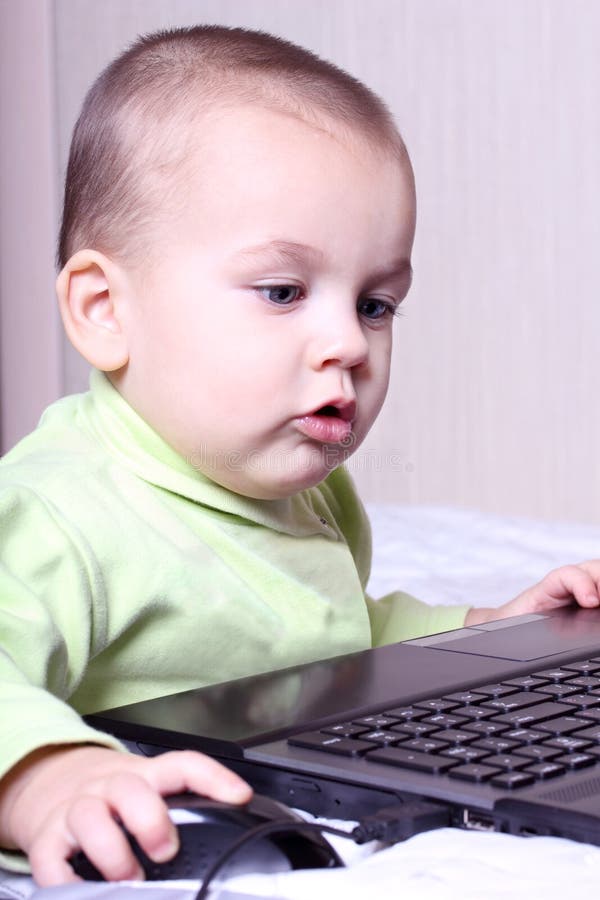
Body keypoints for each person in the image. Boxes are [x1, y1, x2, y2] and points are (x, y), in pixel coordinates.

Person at [0, 24, 598, 888]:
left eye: (376, 303)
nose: (348, 343)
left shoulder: (307, 497)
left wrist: (484, 630)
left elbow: (329, 638)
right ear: (104, 309)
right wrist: (45, 773)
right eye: (282, 291)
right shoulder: (61, 509)